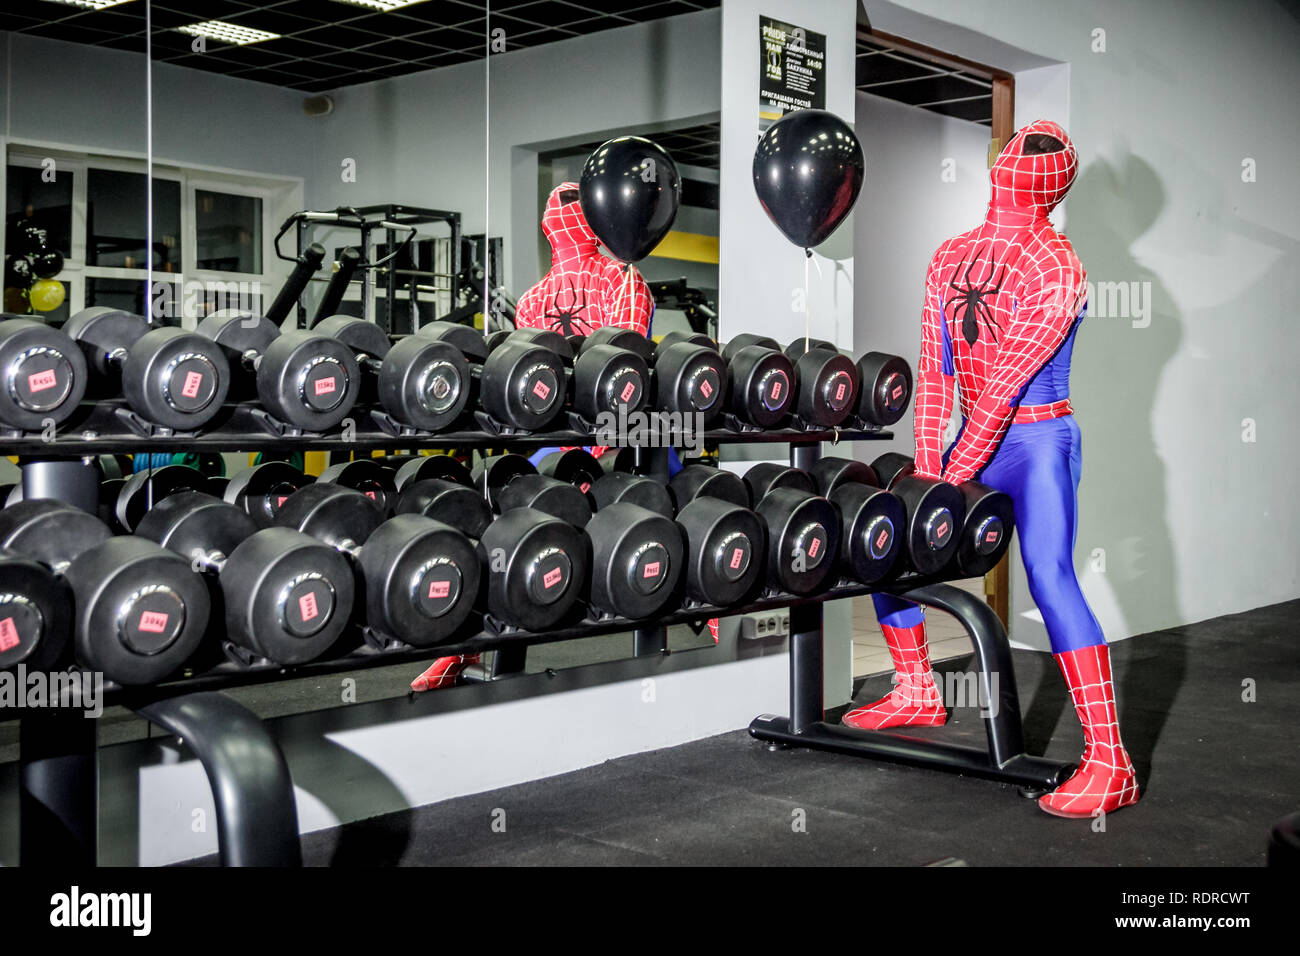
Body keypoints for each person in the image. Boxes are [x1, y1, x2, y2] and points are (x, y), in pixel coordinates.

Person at [847, 120, 1140, 819]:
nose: (1025, 163)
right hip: (978, 442)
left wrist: (953, 469)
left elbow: (1007, 382)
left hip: (1039, 443)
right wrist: (925, 467)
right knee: (892, 533)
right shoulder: (951, 254)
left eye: (1037, 159)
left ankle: (1112, 761)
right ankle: (916, 687)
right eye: (1024, 154)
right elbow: (938, 372)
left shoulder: (1060, 265)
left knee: (1050, 573)